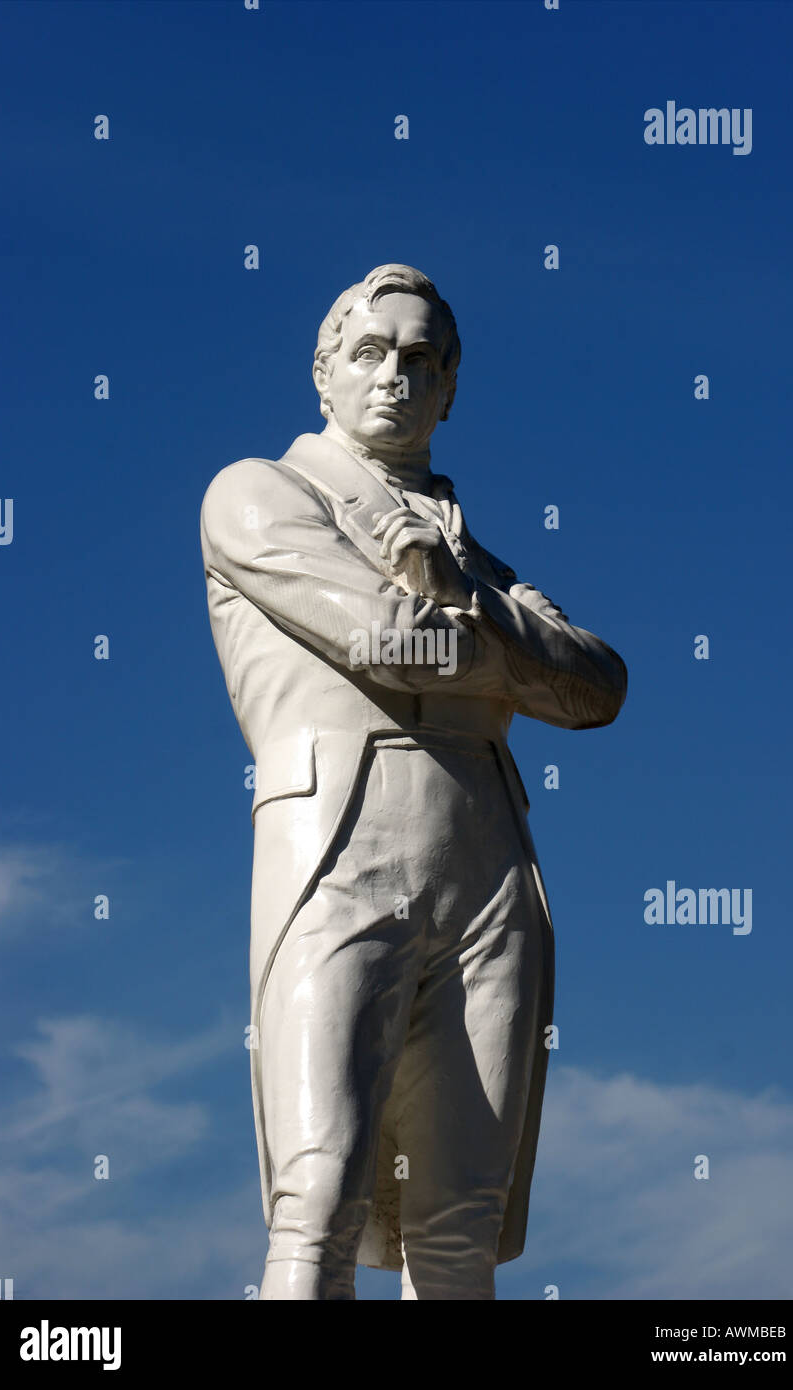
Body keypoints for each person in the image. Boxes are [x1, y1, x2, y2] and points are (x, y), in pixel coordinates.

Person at [200, 263, 627, 1299]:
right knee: (320, 1190)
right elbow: (390, 643)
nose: (394, 375)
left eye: (419, 358)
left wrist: (464, 595)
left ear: (446, 389)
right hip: (338, 841)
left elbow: (597, 684)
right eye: (369, 352)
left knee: (459, 1223)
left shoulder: (472, 553)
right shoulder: (257, 492)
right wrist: (497, 642)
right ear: (323, 372)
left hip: (485, 861)